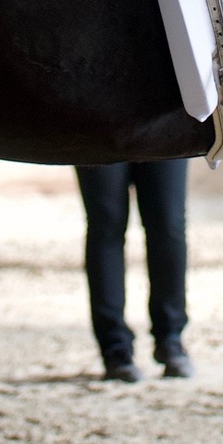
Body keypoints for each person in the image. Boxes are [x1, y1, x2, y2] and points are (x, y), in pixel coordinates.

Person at [73, 160, 191, 383]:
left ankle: (171, 339)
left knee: (169, 225)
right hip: (98, 129)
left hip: (163, 130)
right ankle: (115, 349)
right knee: (106, 225)